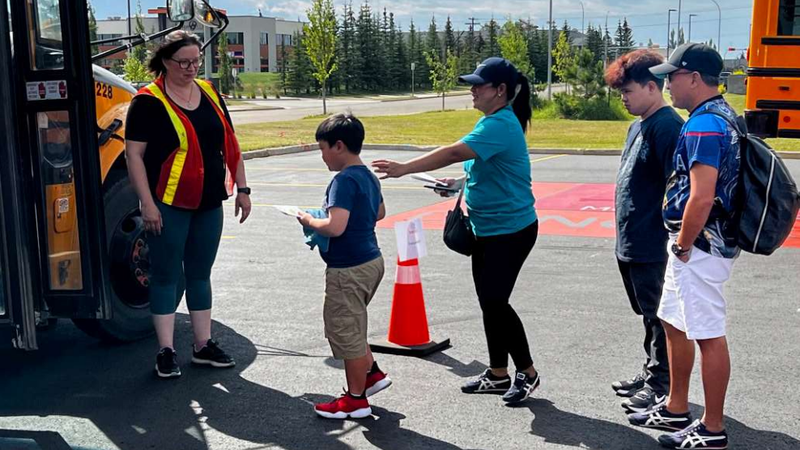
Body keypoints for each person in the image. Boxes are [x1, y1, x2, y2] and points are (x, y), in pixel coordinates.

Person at [372, 57, 540, 405]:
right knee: (489, 303)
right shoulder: (496, 122)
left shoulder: (500, 125)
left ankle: (527, 372)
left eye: (479, 84)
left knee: (496, 302)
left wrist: (404, 168)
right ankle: (497, 373)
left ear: (500, 91)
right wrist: (457, 182)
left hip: (509, 231)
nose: (472, 90)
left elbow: (452, 151)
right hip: (489, 228)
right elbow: (479, 166)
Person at [627, 43, 740, 450]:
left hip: (700, 246)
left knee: (707, 334)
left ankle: (712, 428)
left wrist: (684, 243)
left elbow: (702, 195)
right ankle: (676, 406)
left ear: (694, 78)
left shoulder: (704, 125)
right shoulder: (716, 116)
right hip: (697, 244)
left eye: (672, 75)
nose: (666, 82)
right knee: (674, 321)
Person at [125, 30, 251, 379]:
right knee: (166, 275)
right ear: (165, 61)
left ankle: (202, 345)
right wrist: (147, 204)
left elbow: (230, 141)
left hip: (209, 202)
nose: (191, 67)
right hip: (167, 204)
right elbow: (134, 155)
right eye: (184, 62)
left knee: (200, 274)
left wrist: (243, 188)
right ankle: (165, 351)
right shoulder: (147, 101)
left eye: (196, 60)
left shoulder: (209, 92)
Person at [604, 49, 684, 413]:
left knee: (659, 316)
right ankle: (651, 369)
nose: (623, 99)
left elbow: (682, 186)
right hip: (630, 239)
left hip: (652, 242)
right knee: (647, 315)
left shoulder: (668, 127)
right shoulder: (637, 125)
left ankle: (661, 384)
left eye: (629, 91)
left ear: (652, 88)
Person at [298, 113, 392, 419]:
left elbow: (335, 226)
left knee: (345, 330)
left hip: (348, 269)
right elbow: (379, 212)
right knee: (354, 323)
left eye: (322, 148)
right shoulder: (368, 176)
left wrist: (310, 220)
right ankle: (372, 374)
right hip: (371, 261)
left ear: (338, 146)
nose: (322, 155)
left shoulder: (342, 180)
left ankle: (355, 400)